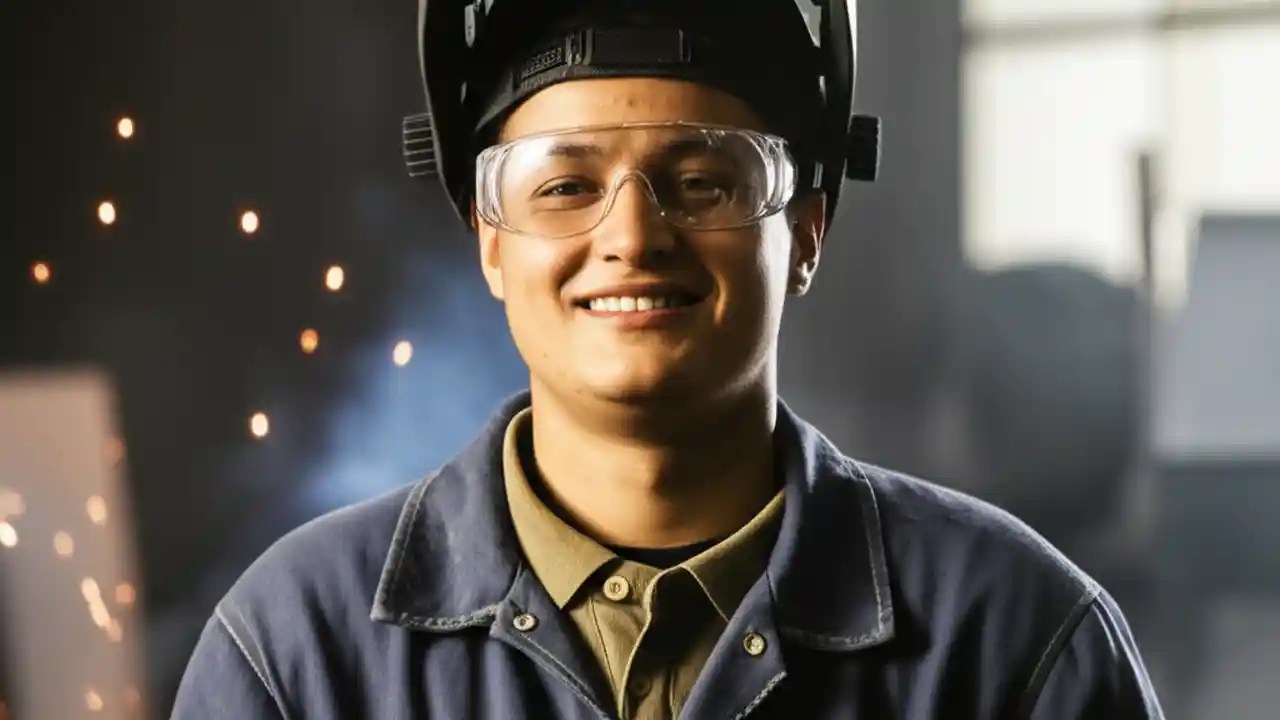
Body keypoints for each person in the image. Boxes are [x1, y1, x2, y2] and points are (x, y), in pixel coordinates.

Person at [173, 1, 1165, 717]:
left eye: (700, 180)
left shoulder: (1013, 645)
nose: (633, 236)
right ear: (486, 238)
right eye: (563, 186)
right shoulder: (302, 653)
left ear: (807, 231)